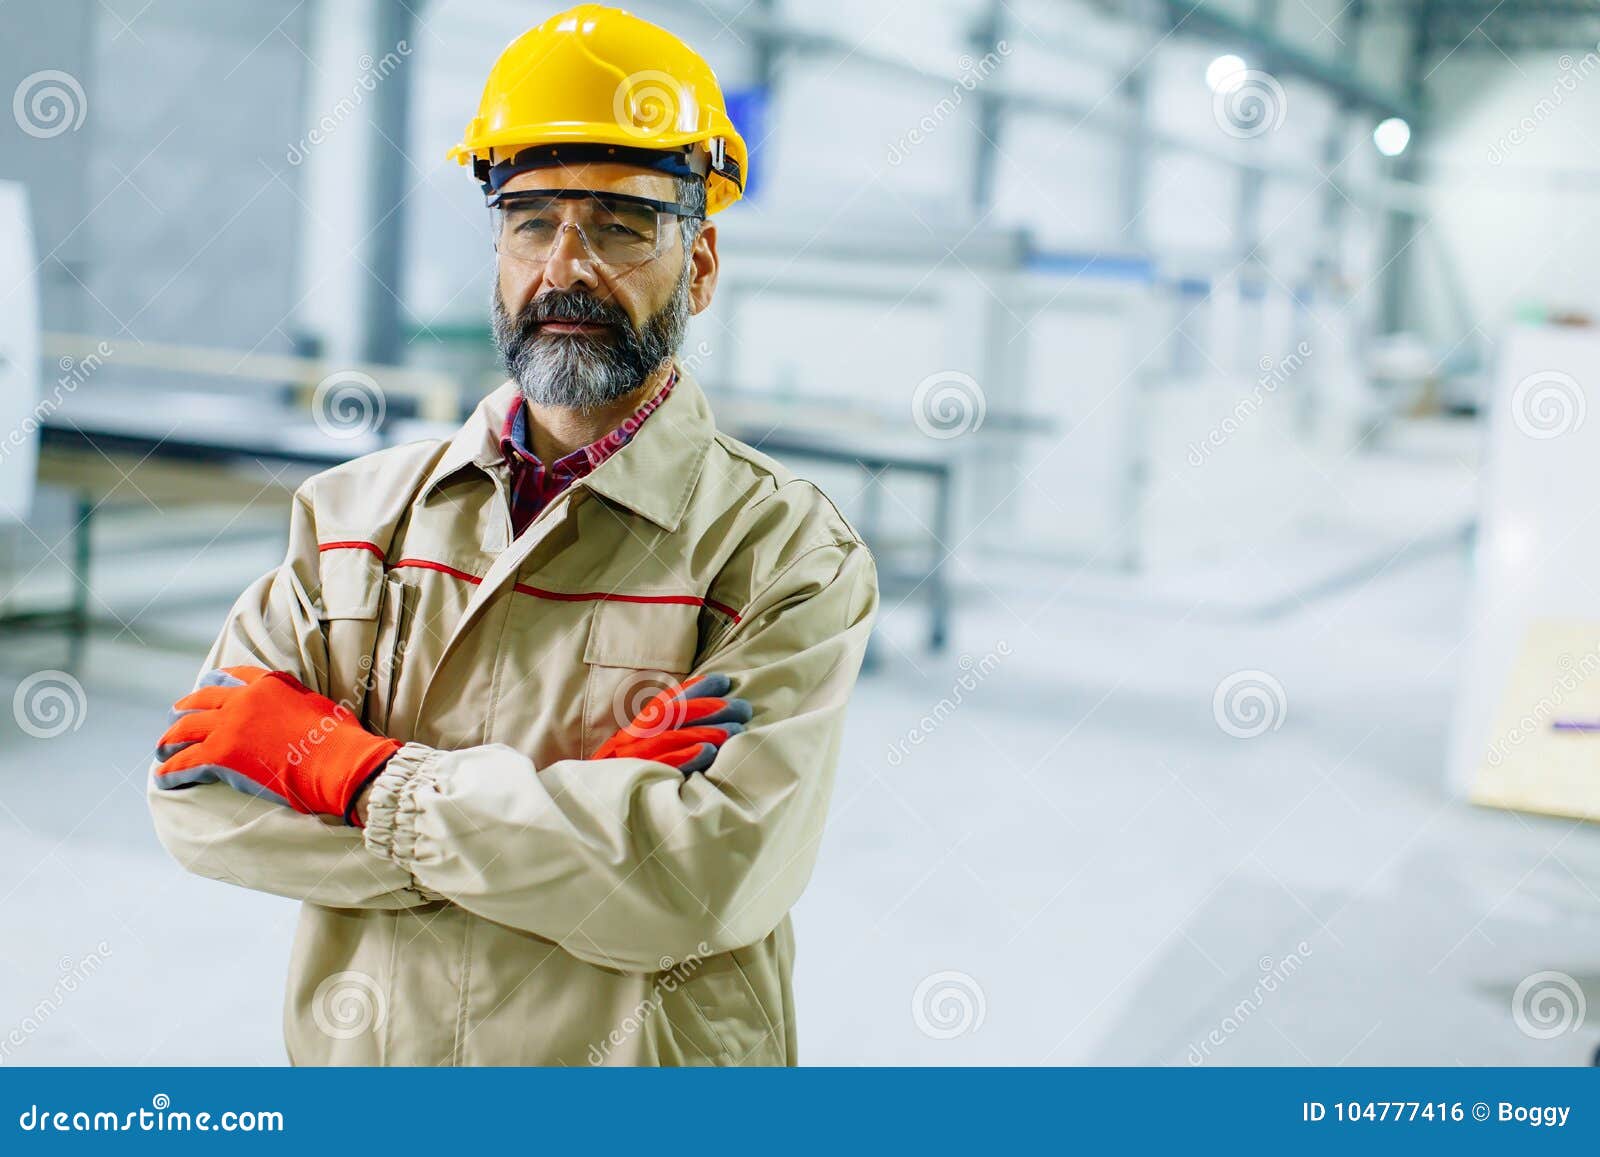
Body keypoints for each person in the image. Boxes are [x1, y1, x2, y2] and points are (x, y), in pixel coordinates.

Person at [146, 3, 877, 1066]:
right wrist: (576, 823)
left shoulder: (784, 555)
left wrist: (347, 772)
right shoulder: (351, 521)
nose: (567, 267)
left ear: (702, 263)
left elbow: (699, 879)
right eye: (533, 220)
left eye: (622, 224)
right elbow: (198, 803)